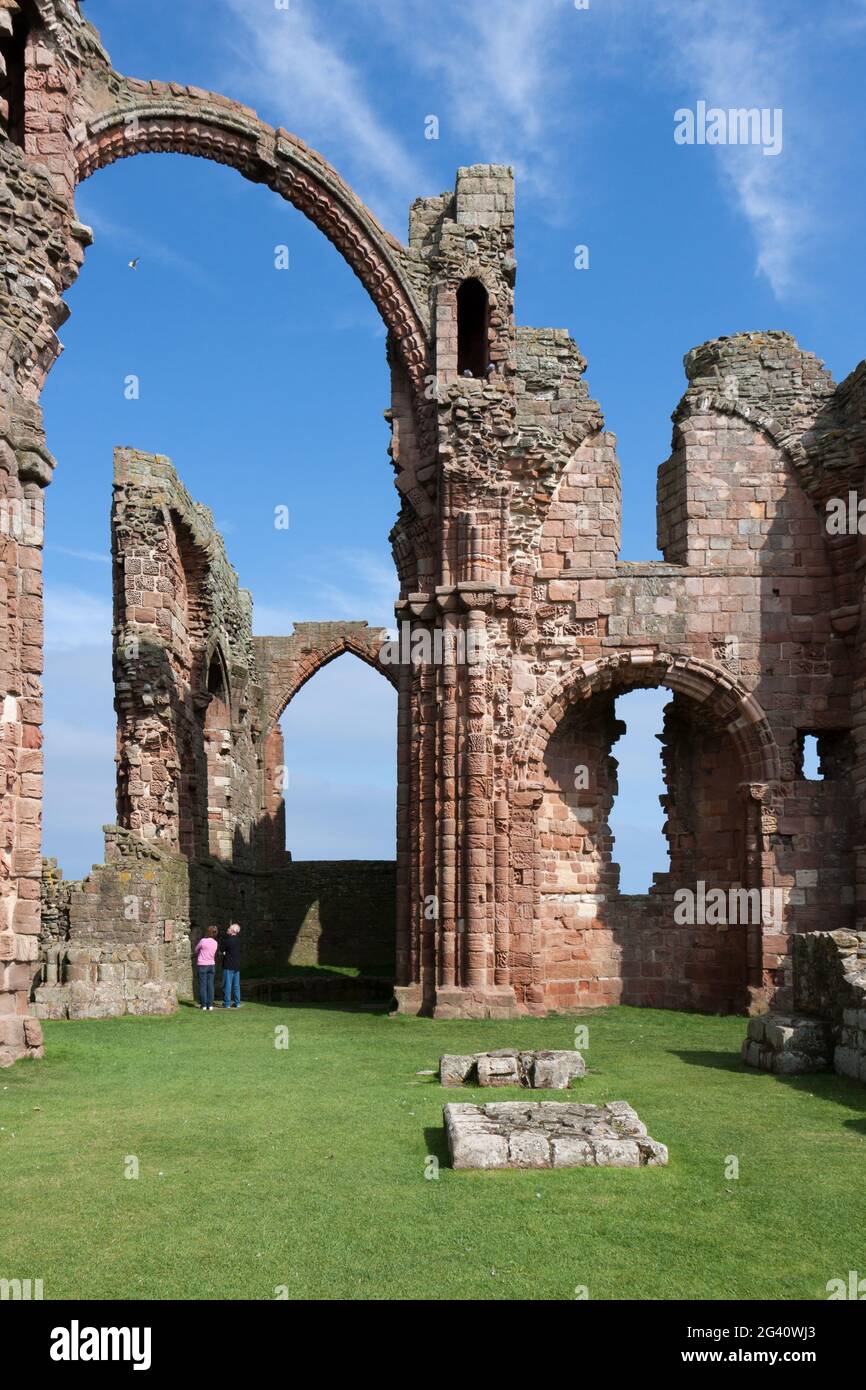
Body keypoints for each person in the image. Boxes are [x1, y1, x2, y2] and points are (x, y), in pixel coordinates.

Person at [195, 927, 219, 1011]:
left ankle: (204, 1005)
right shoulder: (215, 943)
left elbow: (196, 949)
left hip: (202, 965)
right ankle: (210, 1005)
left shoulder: (203, 941)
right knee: (210, 985)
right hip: (211, 965)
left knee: (203, 985)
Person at [221, 924, 242, 1009]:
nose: (228, 929)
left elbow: (222, 949)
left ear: (233, 931)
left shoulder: (228, 940)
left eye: (229, 928)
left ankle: (227, 1003)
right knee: (236, 985)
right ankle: (237, 1003)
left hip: (228, 965)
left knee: (227, 985)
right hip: (236, 965)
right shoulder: (238, 940)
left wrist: (224, 952)